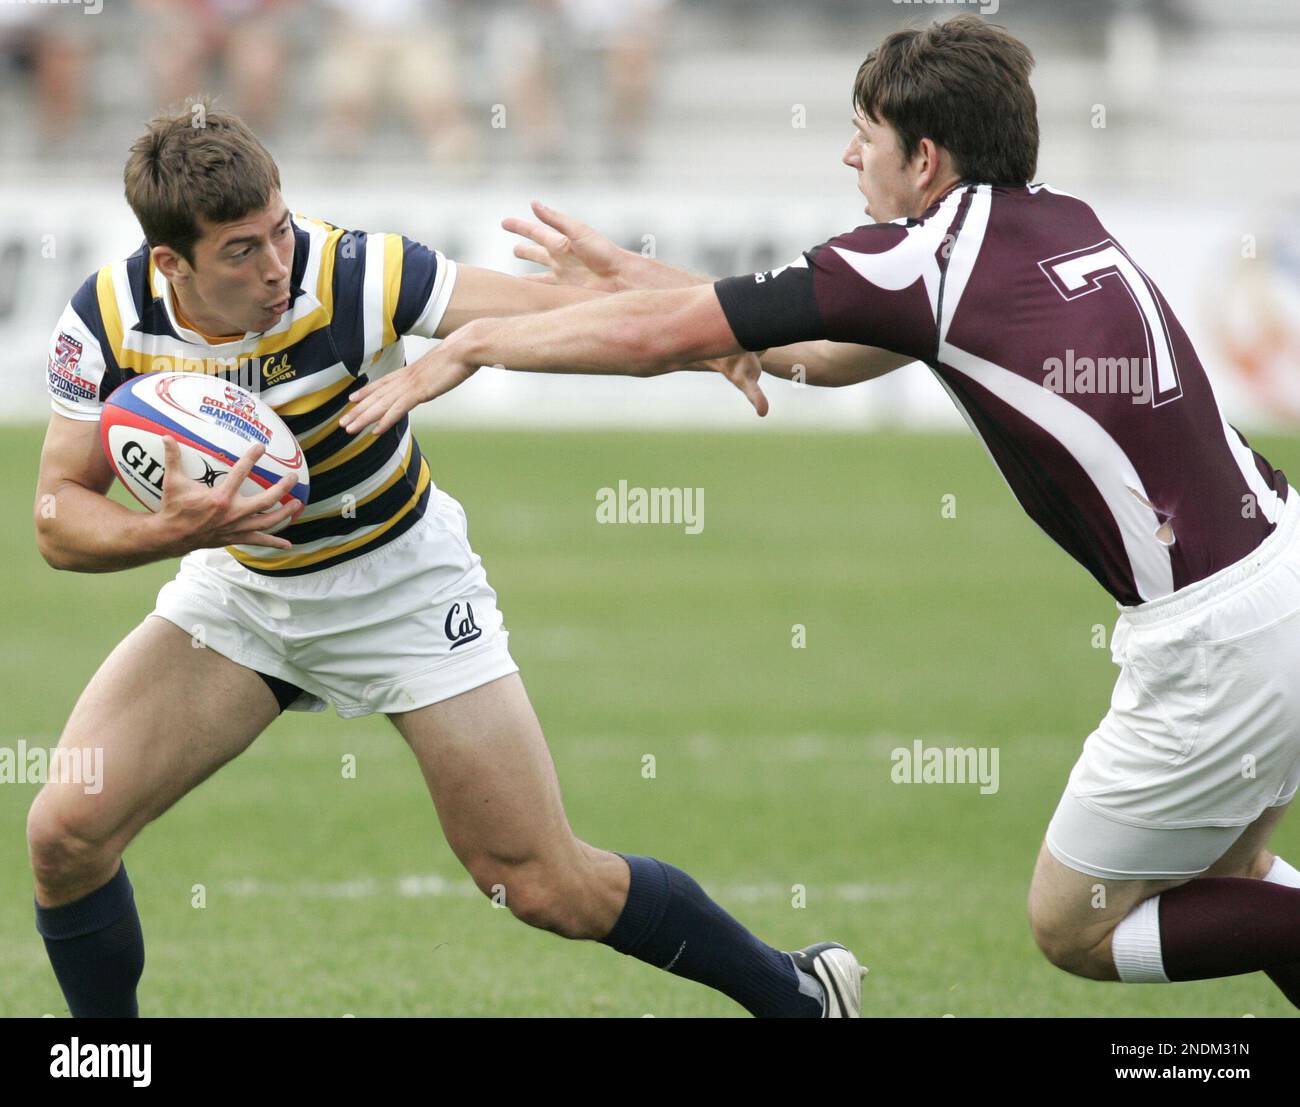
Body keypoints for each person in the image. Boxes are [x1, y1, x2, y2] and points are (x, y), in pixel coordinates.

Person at [343, 14, 1300, 1006]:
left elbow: (659, 340)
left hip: (1215, 636)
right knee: (1228, 884)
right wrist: (648, 284)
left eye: (864, 133)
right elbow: (831, 355)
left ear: (923, 159)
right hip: (1278, 564)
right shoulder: (1053, 221)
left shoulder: (925, 261)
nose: (850, 154)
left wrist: (473, 343)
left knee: (1077, 924)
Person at [29, 101, 864, 1018]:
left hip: (401, 583)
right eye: (240, 251)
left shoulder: (353, 271)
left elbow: (552, 316)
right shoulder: (106, 321)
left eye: (279, 229)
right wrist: (175, 532)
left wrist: (710, 342)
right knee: (66, 833)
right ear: (170, 263)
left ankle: (798, 992)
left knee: (542, 883)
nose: (276, 267)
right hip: (244, 594)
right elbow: (58, 516)